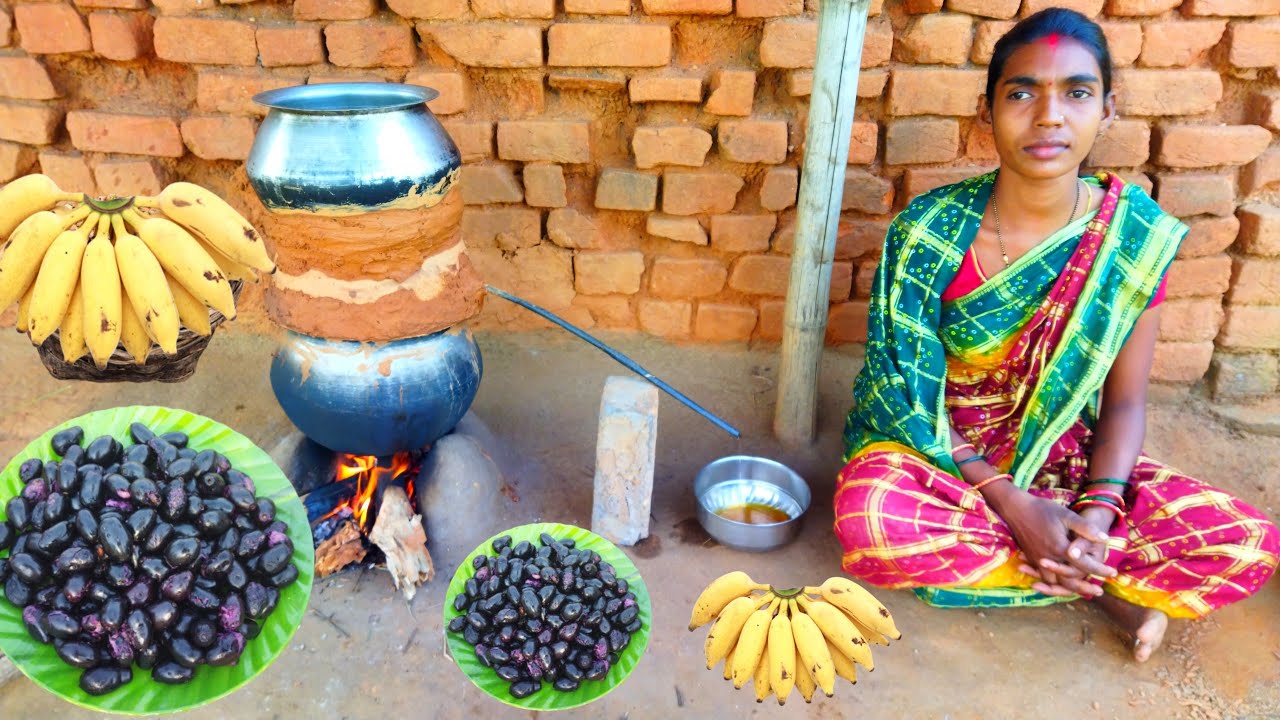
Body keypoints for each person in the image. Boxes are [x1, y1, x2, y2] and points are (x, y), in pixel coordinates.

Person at [833, 7, 1279, 662]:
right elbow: (900, 396)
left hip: (1065, 458)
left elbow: (1125, 405)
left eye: (1076, 93)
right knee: (870, 519)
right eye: (1021, 93)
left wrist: (1096, 519)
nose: (1049, 116)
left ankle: (1068, 558)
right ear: (987, 112)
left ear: (1107, 109)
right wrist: (1012, 503)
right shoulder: (927, 232)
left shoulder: (1131, 240)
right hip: (948, 459)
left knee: (1247, 544)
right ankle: (1099, 588)